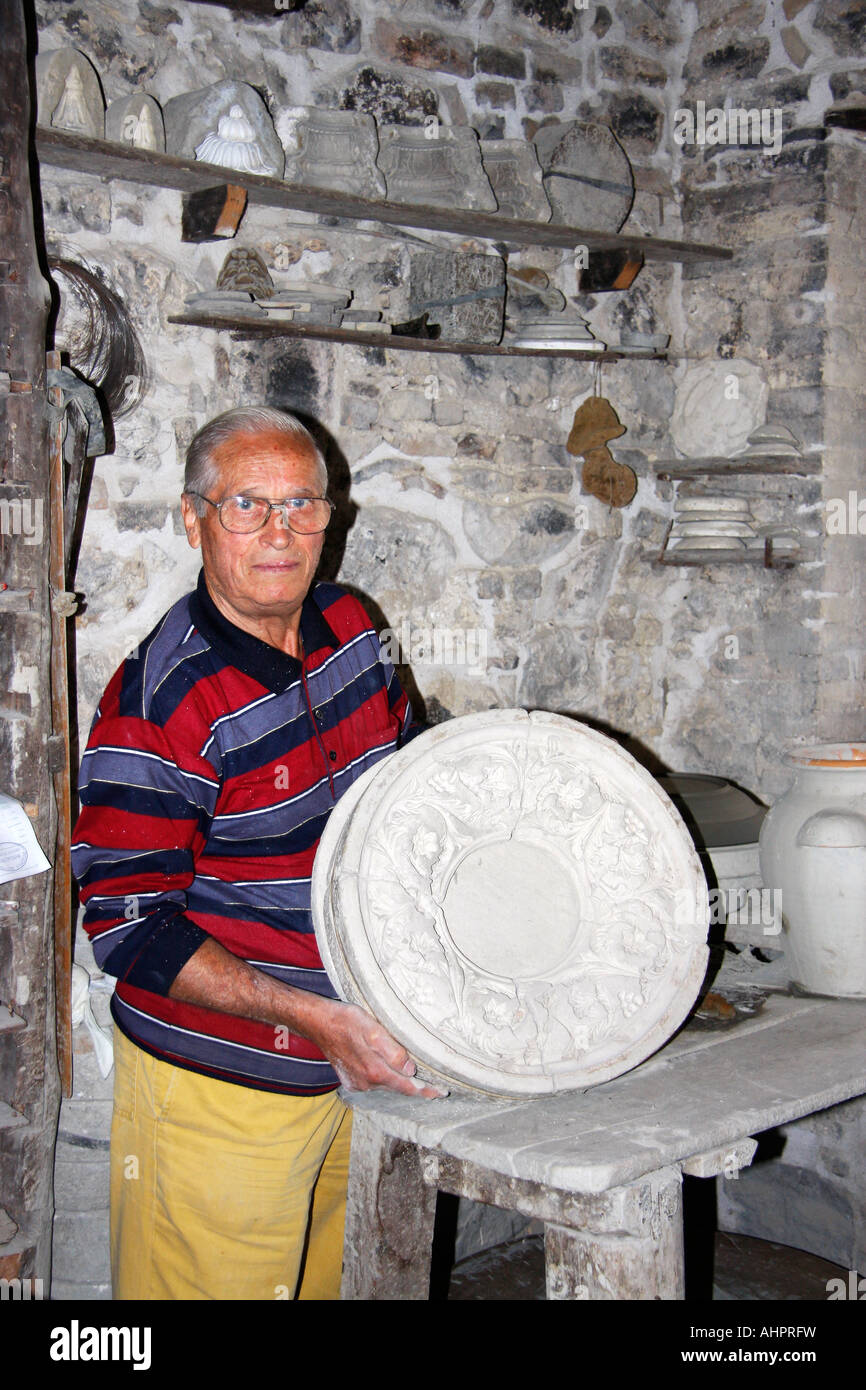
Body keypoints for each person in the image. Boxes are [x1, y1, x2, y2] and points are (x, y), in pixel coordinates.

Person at [71, 405, 443, 1302]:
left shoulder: (357, 627)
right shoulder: (164, 701)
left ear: (328, 518)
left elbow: (415, 783)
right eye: (247, 506)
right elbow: (127, 928)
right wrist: (315, 1018)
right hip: (220, 1091)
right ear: (195, 520)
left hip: (356, 1065)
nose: (280, 533)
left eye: (302, 505)